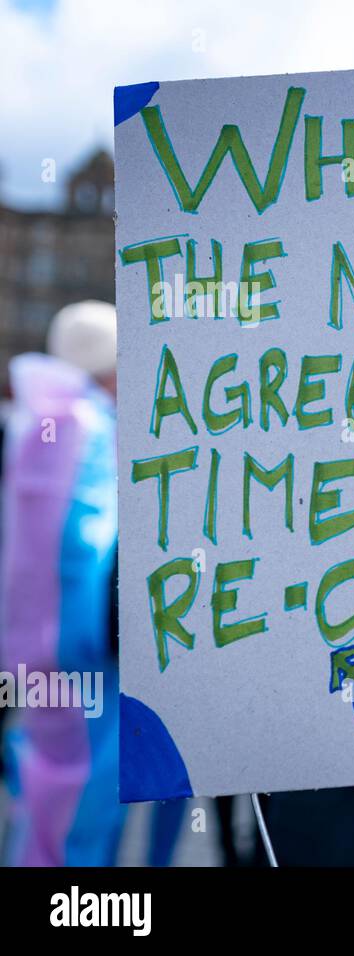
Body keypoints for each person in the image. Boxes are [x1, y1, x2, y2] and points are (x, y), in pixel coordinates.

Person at [1, 301, 125, 865]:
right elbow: (82, 546)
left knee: (46, 780)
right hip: (81, 646)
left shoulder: (36, 417)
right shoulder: (88, 424)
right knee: (83, 796)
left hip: (34, 644)